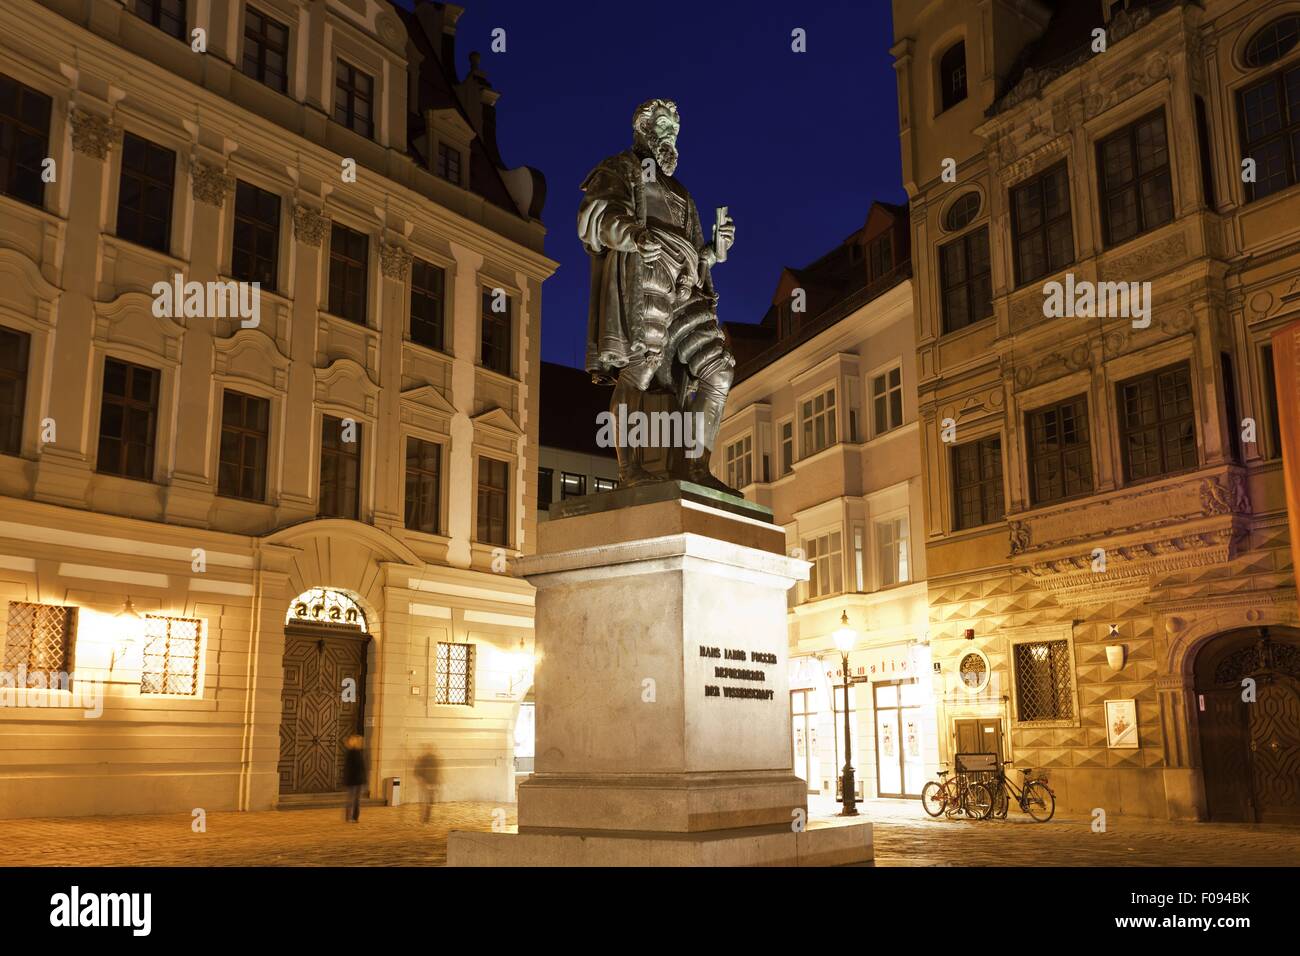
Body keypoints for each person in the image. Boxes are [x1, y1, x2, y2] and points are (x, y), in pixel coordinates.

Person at [342, 733, 366, 823]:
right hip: (353, 780)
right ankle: (349, 817)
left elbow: (361, 768)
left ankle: (355, 817)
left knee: (356, 800)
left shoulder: (359, 752)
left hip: (358, 780)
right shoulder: (351, 753)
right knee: (352, 800)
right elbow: (349, 768)